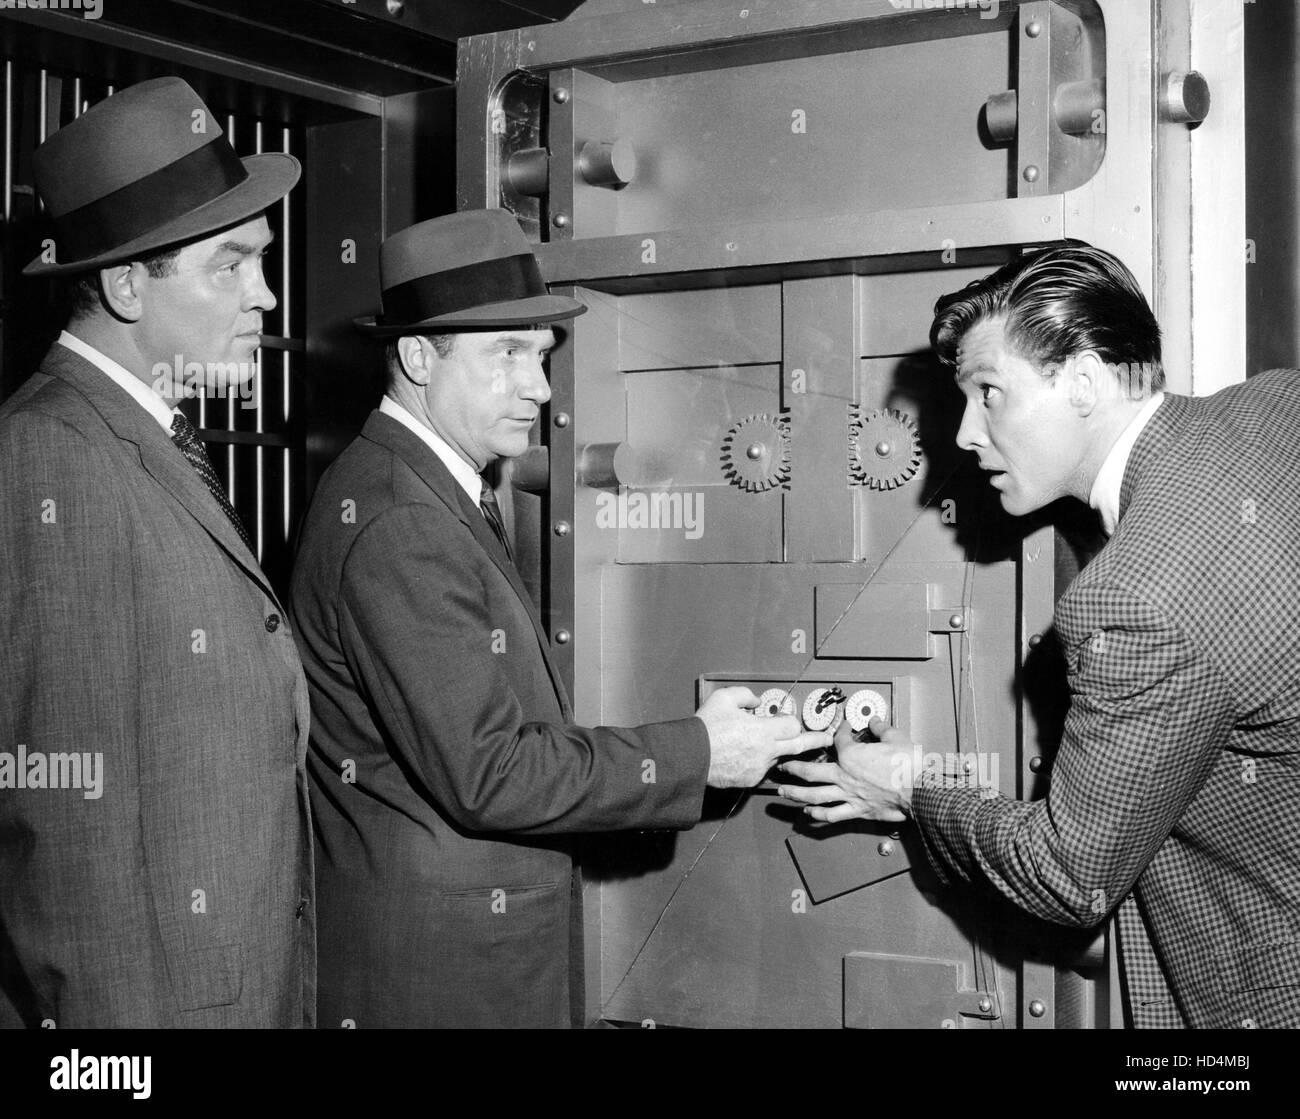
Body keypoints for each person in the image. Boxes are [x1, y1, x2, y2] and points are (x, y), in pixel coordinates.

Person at [289, 210, 828, 1028]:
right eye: (505, 354)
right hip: (444, 982)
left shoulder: (426, 489)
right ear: (414, 357)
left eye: (539, 356)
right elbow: (492, 773)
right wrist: (701, 749)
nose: (539, 388)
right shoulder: (401, 521)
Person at [781, 244, 1300, 1029]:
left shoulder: (1133, 599)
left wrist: (909, 783)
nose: (963, 433)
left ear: (1085, 380)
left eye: (991, 393)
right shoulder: (1274, 405)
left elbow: (1068, 874)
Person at [0, 77, 314, 1027]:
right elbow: (64, 826)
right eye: (233, 264)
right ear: (129, 284)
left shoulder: (148, 434)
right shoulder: (52, 453)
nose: (265, 294)